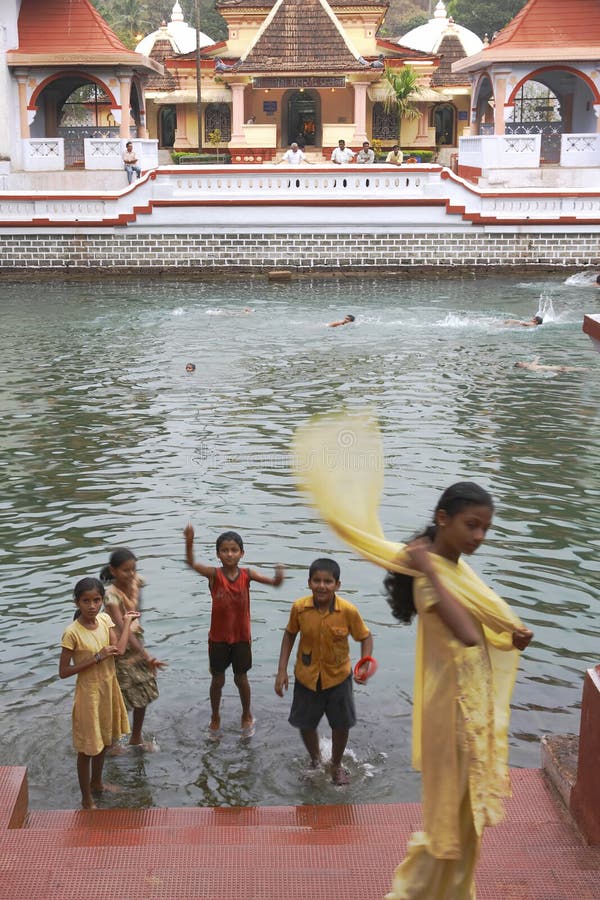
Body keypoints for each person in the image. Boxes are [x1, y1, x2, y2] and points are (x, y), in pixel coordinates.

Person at [291, 414, 534, 899]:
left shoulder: (448, 567)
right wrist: (424, 564)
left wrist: (509, 633)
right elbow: (466, 633)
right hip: (452, 711)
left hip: (465, 702)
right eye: (472, 525)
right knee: (451, 825)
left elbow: (481, 619)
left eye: (486, 528)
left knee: (463, 826)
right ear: (443, 518)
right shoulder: (429, 575)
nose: (479, 536)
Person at [275, 557, 373, 786]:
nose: (322, 586)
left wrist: (365, 664)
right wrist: (282, 671)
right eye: (317, 580)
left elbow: (365, 636)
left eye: (328, 581)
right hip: (306, 677)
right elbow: (289, 635)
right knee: (305, 723)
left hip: (338, 677)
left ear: (337, 585)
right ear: (309, 582)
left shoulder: (348, 611)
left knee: (341, 724)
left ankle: (336, 764)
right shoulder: (299, 608)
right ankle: (316, 759)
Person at [184, 525, 284, 735]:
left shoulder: (247, 574)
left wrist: (278, 577)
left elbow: (272, 582)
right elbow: (192, 563)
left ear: (242, 553)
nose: (229, 554)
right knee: (217, 679)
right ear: (218, 554)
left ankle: (246, 714)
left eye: (234, 550)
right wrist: (190, 541)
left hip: (241, 638)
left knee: (241, 678)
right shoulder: (214, 574)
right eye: (225, 550)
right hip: (218, 638)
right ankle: (215, 716)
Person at [59, 577, 140, 808]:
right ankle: (86, 799)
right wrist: (96, 657)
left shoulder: (105, 620)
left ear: (102, 601)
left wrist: (126, 622)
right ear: (77, 602)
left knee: (104, 741)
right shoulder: (71, 633)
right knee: (87, 748)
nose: (92, 606)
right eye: (86, 601)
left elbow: (120, 649)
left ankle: (97, 783)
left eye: (96, 600)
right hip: (89, 695)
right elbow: (63, 671)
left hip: (108, 689)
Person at [100, 549, 166, 750]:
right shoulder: (111, 597)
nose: (131, 575)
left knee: (143, 692)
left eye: (133, 570)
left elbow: (136, 616)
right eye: (125, 571)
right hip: (118, 648)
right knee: (120, 696)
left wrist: (142, 650)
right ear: (113, 570)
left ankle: (135, 737)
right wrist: (145, 655)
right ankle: (110, 742)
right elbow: (123, 630)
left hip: (136, 643)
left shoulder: (137, 581)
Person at [515, 358, 588, 373]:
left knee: (581, 369)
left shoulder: (530, 366)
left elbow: (535, 362)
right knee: (581, 369)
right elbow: (541, 371)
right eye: (521, 362)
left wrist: (537, 358)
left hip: (558, 368)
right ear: (521, 366)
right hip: (559, 370)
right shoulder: (530, 368)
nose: (524, 362)